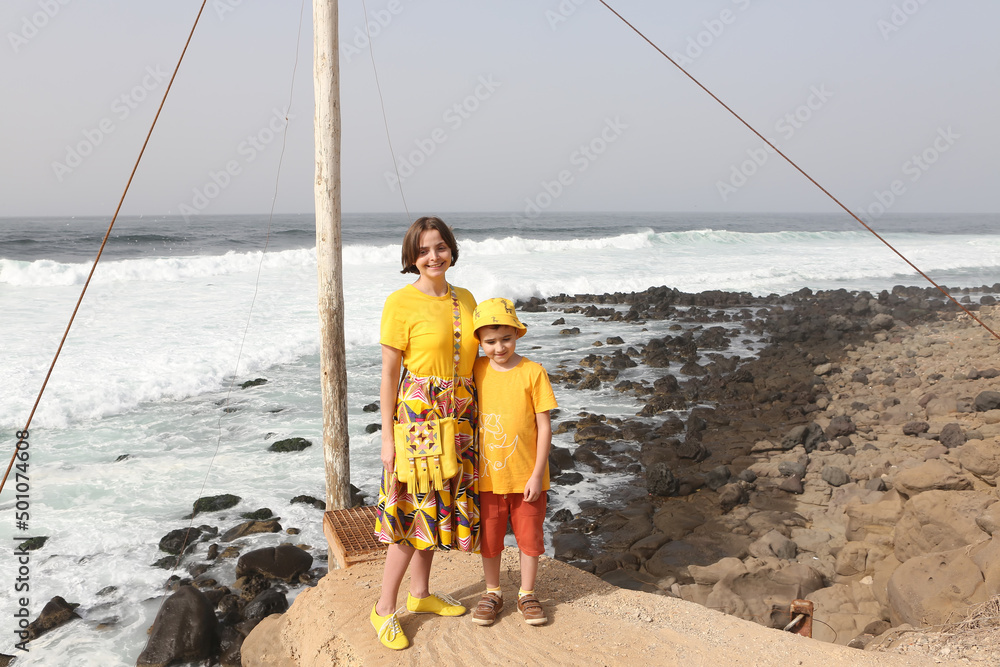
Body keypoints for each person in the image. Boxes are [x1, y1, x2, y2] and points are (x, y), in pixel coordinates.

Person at [370, 216, 480, 650]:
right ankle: (382, 609)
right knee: (412, 512)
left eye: (439, 247)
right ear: (411, 258)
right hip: (419, 416)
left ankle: (420, 595)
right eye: (422, 251)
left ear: (451, 249)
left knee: (435, 509)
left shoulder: (467, 298)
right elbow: (388, 374)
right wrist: (386, 437)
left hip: (462, 414)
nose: (432, 256)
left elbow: (484, 356)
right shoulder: (400, 302)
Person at [469, 298, 557, 627]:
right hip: (487, 477)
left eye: (506, 338)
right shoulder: (475, 369)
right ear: (479, 342)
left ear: (517, 335)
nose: (499, 347)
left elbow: (544, 425)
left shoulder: (532, 372)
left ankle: (527, 593)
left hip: (527, 477)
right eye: (490, 342)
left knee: (530, 538)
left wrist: (537, 474)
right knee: (490, 539)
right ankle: (492, 592)